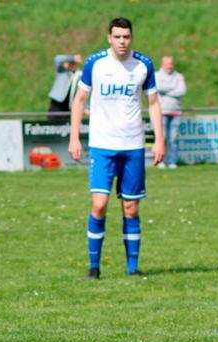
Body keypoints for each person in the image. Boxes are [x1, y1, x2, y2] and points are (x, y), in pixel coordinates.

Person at [69, 16, 164, 280]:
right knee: (99, 204)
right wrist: (74, 137)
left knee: (131, 208)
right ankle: (94, 266)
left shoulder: (143, 64)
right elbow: (79, 100)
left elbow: (153, 103)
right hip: (102, 145)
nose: (122, 41)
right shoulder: (95, 63)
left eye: (126, 37)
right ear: (109, 38)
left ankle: (132, 269)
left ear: (131, 38)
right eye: (118, 37)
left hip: (133, 146)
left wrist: (159, 139)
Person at [155, 56, 186, 168]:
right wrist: (173, 88)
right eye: (167, 64)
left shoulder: (179, 76)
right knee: (162, 138)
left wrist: (166, 91)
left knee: (173, 138)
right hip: (161, 112)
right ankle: (160, 161)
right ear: (162, 64)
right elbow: (158, 88)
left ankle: (172, 161)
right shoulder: (156, 76)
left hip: (176, 112)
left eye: (171, 63)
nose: (169, 66)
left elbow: (181, 91)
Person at [47, 54, 83, 121]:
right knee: (52, 123)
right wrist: (72, 58)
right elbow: (58, 59)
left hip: (70, 106)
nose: (71, 65)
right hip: (57, 103)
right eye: (70, 63)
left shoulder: (79, 75)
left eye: (73, 63)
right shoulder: (62, 71)